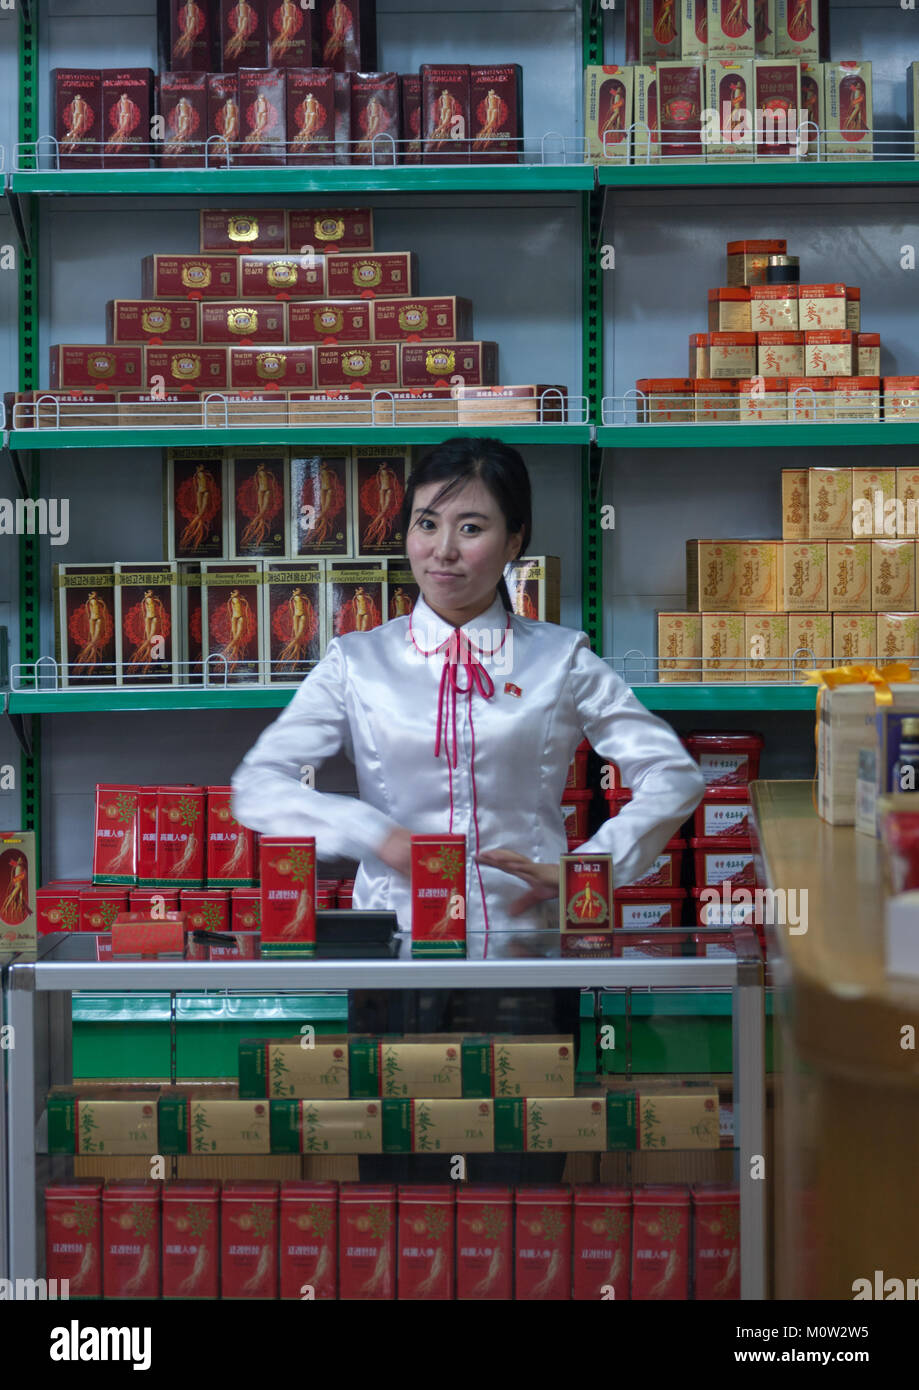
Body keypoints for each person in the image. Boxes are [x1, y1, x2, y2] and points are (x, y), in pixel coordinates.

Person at [231, 437, 704, 955]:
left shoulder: (560, 660)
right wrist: (374, 834)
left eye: (471, 528)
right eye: (427, 523)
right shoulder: (358, 662)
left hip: (526, 947)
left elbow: (673, 775)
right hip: (394, 948)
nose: (444, 550)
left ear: (513, 540)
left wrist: (589, 868)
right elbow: (256, 784)